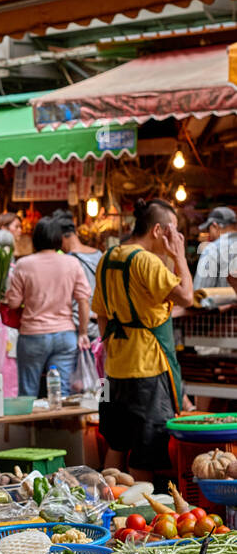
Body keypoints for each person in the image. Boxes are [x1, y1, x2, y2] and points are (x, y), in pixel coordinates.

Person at [92, 197, 195, 479]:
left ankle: (108, 509)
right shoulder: (146, 262)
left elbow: (101, 315)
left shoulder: (108, 256)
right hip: (147, 370)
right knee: (144, 453)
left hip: (114, 370)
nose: (176, 238)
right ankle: (139, 519)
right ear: (159, 230)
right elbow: (187, 295)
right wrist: (180, 257)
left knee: (116, 444)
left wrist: (115, 347)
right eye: (173, 231)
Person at [2, 213, 91, 398]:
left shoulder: (23, 264)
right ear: (59, 239)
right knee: (62, 393)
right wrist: (82, 332)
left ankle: (32, 426)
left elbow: (14, 302)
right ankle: (60, 426)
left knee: (28, 393)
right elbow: (83, 300)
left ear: (36, 238)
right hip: (65, 336)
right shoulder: (72, 263)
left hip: (32, 336)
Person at [56, 212, 102, 340]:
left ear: (61, 237)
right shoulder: (99, 254)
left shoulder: (66, 261)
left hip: (76, 326)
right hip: (100, 325)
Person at [193, 206, 237, 290]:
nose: (209, 234)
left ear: (215, 226)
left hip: (222, 303)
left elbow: (200, 292)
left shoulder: (213, 249)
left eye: (209, 230)